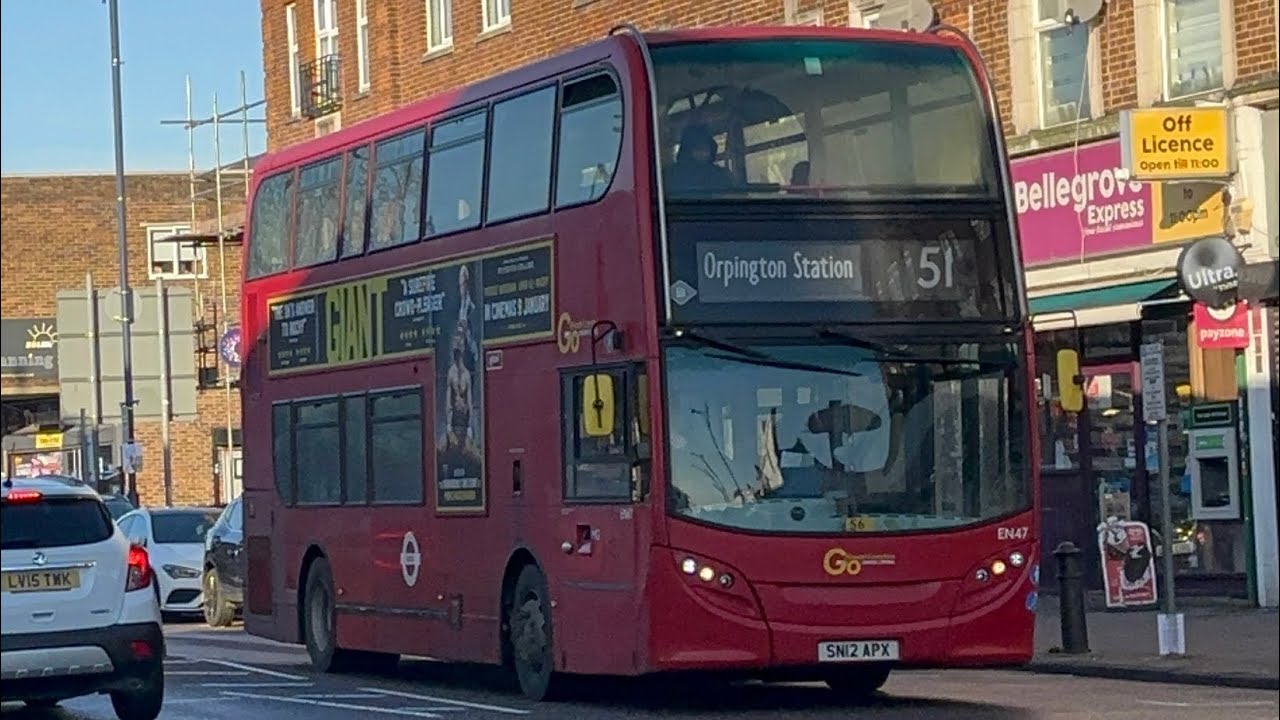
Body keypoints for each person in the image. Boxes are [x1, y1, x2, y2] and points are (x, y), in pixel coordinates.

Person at [668, 123, 733, 193]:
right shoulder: (673, 175)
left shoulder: (719, 174)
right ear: (688, 151)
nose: (705, 153)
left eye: (707, 149)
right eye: (699, 149)